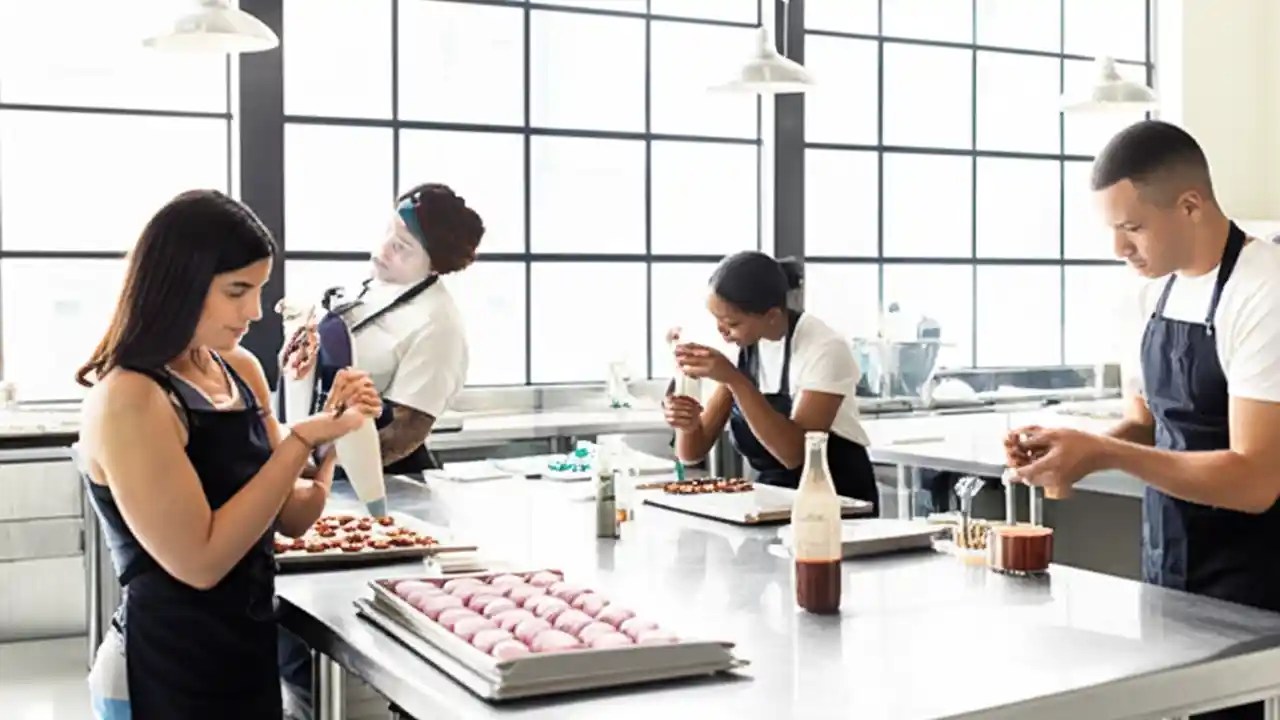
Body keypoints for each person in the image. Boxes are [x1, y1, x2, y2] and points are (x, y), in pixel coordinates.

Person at [1007, 120, 1280, 720]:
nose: (1118, 249)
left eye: (1132, 228)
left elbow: (1257, 480)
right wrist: (1070, 445)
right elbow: (1145, 424)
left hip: (1259, 574)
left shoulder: (1264, 290)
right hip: (1167, 559)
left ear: (1190, 205)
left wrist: (1104, 455)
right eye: (1112, 229)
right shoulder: (1145, 294)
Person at [77, 189, 382, 719]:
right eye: (237, 291)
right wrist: (302, 439)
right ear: (179, 283)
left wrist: (334, 434)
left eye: (260, 289)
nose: (256, 311)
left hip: (244, 652)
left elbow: (292, 516)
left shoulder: (238, 370)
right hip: (165, 667)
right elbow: (200, 562)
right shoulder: (130, 396)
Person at [280, 182, 482, 476]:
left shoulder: (439, 327)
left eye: (402, 247)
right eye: (389, 231)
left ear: (435, 266)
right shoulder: (374, 285)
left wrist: (322, 469)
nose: (385, 248)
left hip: (379, 476)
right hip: (318, 458)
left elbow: (405, 431)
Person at [663, 251, 879, 511]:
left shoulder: (823, 347)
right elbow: (693, 452)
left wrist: (735, 379)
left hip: (836, 501)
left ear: (772, 316)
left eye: (731, 322)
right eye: (717, 320)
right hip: (773, 500)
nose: (721, 331)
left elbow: (795, 454)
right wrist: (687, 423)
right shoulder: (741, 346)